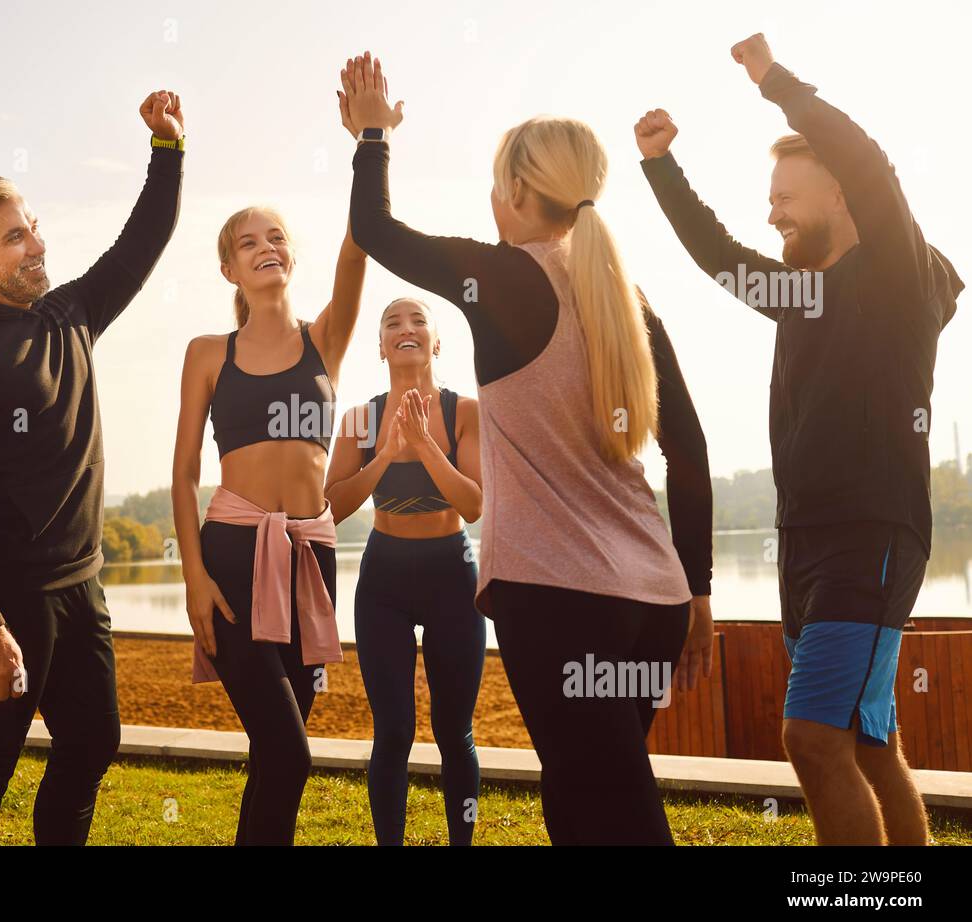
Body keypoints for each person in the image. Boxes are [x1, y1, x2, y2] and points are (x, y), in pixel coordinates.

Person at [341, 51, 715, 845]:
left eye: (493, 185)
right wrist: (700, 593)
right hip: (654, 600)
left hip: (561, 598)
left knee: (611, 809)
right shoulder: (626, 297)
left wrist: (371, 133)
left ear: (515, 191)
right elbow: (690, 451)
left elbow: (374, 229)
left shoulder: (503, 277)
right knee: (588, 798)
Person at [636, 33, 963, 846]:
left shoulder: (896, 276)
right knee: (866, 741)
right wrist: (661, 167)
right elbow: (718, 255)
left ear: (844, 197)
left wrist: (774, 82)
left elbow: (870, 162)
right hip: (804, 543)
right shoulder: (798, 294)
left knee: (811, 738)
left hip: (870, 536)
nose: (771, 210)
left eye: (785, 195)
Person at [0, 91, 185, 845]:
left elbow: (141, 242)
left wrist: (167, 149)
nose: (37, 245)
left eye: (33, 228)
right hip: (9, 607)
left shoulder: (71, 317)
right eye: (14, 236)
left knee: (94, 744)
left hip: (81, 589)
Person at [171, 102, 368, 843]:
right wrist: (192, 573)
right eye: (247, 241)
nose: (265, 247)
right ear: (229, 267)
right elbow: (183, 466)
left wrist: (368, 146)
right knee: (290, 753)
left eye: (276, 236)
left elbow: (357, 253)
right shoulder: (206, 352)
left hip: (311, 556)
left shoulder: (327, 339)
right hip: (233, 551)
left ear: (292, 256)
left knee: (274, 759)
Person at [324, 296, 485, 846]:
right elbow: (335, 505)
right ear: (382, 345)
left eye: (419, 320)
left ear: (436, 342)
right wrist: (388, 453)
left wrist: (423, 445)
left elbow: (476, 504)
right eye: (393, 322)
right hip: (383, 582)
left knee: (453, 732)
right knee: (393, 732)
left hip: (453, 577)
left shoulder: (466, 412)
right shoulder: (359, 419)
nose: (406, 328)